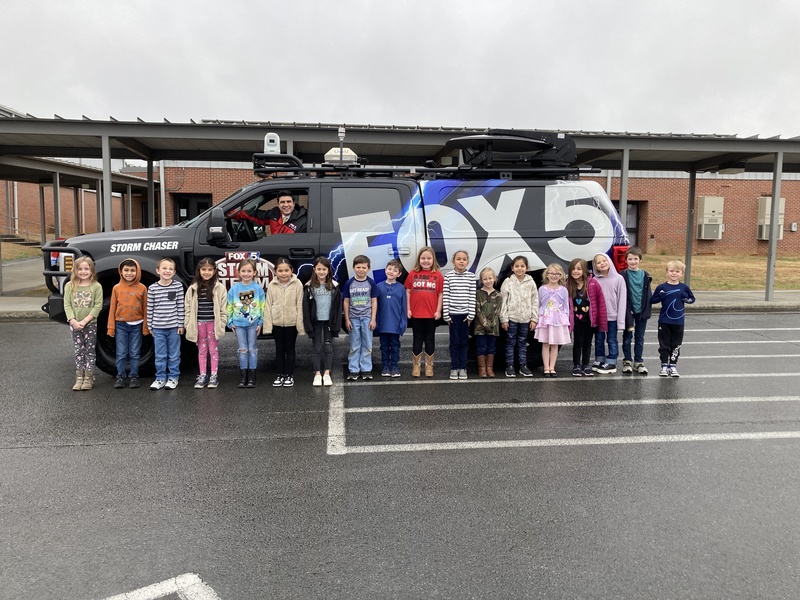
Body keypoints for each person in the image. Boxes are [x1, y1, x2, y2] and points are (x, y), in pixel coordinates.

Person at [184, 257, 227, 389]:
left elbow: (223, 308)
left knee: (213, 350)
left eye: (210, 270)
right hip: (199, 324)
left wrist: (222, 323)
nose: (206, 272)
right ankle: (202, 375)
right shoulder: (193, 288)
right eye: (204, 269)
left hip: (213, 323)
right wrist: (188, 324)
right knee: (202, 350)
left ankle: (214, 375)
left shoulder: (219, 288)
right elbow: (188, 307)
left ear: (214, 271)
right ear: (199, 271)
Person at [108, 258, 149, 389]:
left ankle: (134, 376)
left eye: (132, 270)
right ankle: (120, 376)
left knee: (135, 352)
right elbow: (112, 308)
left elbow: (146, 309)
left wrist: (145, 327)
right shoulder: (116, 288)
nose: (129, 273)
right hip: (120, 324)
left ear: (137, 271)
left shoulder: (142, 288)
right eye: (126, 270)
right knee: (121, 352)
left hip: (137, 324)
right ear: (121, 271)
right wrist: (111, 328)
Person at [264, 257, 305, 388]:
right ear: (275, 271)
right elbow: (268, 305)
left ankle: (289, 375)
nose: (283, 273)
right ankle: (280, 374)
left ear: (291, 270)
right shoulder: (272, 284)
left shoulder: (297, 284)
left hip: (291, 322)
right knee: (279, 350)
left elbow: (299, 304)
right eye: (280, 270)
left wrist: (300, 324)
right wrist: (268, 325)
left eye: (286, 270)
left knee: (290, 349)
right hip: (277, 322)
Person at [651, 259, 696, 377]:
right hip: (664, 321)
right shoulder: (662, 287)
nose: (674, 273)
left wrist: (686, 298)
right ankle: (664, 365)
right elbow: (653, 300)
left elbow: (692, 299)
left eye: (677, 271)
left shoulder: (684, 287)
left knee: (676, 345)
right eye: (671, 271)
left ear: (681, 273)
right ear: (667, 272)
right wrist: (660, 296)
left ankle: (673, 365)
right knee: (664, 345)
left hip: (678, 321)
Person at [64, 256, 103, 391]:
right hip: (75, 325)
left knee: (90, 351)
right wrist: (73, 321)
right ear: (75, 270)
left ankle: (88, 377)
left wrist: (86, 320)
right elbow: (67, 305)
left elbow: (98, 305)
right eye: (80, 269)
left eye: (86, 269)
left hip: (90, 324)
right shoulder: (70, 286)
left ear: (91, 270)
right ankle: (79, 377)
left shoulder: (96, 286)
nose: (83, 271)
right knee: (79, 351)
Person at [405, 246, 444, 377]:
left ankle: (429, 366)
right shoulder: (412, 274)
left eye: (429, 258)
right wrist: (408, 308)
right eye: (423, 258)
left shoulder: (437, 275)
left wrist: (439, 311)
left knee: (429, 340)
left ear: (433, 260)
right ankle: (416, 366)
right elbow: (408, 292)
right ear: (419, 259)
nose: (426, 261)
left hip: (431, 314)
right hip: (416, 314)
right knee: (417, 339)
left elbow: (440, 294)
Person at [303, 256, 342, 387]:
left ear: (328, 270)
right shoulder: (309, 287)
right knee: (317, 348)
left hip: (328, 323)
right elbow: (306, 307)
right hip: (316, 322)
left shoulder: (334, 286)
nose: (321, 272)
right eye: (318, 269)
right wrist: (308, 325)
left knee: (328, 347)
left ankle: (327, 373)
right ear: (314, 270)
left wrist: (336, 325)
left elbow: (338, 308)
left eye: (324, 269)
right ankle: (317, 374)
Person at [227, 258, 266, 389]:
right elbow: (229, 306)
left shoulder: (258, 288)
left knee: (252, 349)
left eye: (249, 271)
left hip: (253, 324)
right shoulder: (234, 289)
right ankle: (243, 376)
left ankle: (252, 376)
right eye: (243, 271)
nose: (246, 273)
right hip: (238, 324)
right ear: (238, 272)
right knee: (242, 350)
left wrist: (261, 322)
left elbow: (262, 306)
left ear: (254, 272)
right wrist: (230, 321)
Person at [147, 257, 185, 390]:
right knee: (160, 355)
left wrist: (181, 324)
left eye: (170, 269)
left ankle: (173, 377)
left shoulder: (177, 286)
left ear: (174, 272)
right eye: (164, 268)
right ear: (158, 270)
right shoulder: (152, 288)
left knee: (174, 354)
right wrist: (150, 325)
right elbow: (150, 308)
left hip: (174, 327)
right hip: (158, 328)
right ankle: (160, 378)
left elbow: (180, 306)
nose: (167, 271)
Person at [567, 258, 607, 377]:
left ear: (585, 270)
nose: (576, 271)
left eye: (579, 269)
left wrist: (601, 320)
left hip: (590, 319)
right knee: (578, 342)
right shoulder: (568, 284)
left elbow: (601, 303)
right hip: (576, 320)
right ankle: (576, 365)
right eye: (573, 269)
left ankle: (585, 365)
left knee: (588, 343)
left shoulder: (593, 283)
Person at [500, 256, 538, 378]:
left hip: (525, 319)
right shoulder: (508, 282)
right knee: (510, 342)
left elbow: (535, 301)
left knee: (522, 342)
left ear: (526, 268)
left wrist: (534, 318)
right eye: (517, 266)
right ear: (512, 268)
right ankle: (509, 365)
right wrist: (504, 319)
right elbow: (503, 302)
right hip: (512, 318)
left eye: (522, 266)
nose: (519, 268)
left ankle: (523, 365)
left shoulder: (531, 282)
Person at [342, 255, 379, 381]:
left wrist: (373, 318)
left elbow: (374, 301)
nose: (361, 269)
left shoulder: (371, 283)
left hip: (367, 317)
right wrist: (346, 319)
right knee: (354, 344)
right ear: (353, 268)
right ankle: (353, 369)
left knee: (367, 344)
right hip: (353, 318)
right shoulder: (349, 283)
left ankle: (366, 369)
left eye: (364, 267)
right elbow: (346, 301)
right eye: (358, 267)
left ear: (368, 269)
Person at [443, 250, 476, 380]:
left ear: (467, 262)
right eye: (458, 259)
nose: (461, 261)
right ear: (453, 262)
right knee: (454, 342)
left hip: (465, 316)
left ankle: (463, 367)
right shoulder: (448, 276)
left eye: (464, 259)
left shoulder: (471, 277)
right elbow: (446, 296)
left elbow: (472, 296)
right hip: (453, 316)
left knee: (464, 343)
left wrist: (470, 315)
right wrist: (446, 315)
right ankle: (454, 367)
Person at [592, 253, 627, 374]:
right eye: (598, 262)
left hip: (613, 316)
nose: (602, 263)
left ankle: (611, 361)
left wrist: (621, 321)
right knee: (599, 339)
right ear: (595, 266)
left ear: (609, 262)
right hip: (599, 317)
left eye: (604, 260)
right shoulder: (595, 280)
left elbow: (622, 300)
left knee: (611, 339)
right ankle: (599, 359)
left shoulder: (618, 279)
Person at [620, 247, 653, 375]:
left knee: (640, 338)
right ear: (626, 260)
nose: (633, 261)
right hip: (628, 312)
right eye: (630, 259)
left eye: (635, 259)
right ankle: (627, 361)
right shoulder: (623, 275)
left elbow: (648, 294)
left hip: (642, 312)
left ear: (640, 260)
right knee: (627, 337)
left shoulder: (645, 275)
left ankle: (638, 362)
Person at [535, 264, 571, 377]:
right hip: (546, 320)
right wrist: (538, 318)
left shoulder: (564, 290)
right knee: (545, 343)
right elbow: (539, 304)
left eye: (557, 274)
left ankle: (552, 367)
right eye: (551, 273)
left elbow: (566, 306)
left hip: (558, 320)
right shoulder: (542, 289)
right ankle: (546, 367)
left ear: (561, 276)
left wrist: (566, 319)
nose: (554, 276)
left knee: (555, 344)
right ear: (547, 274)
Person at [376, 259, 407, 378]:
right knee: (383, 346)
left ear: (399, 274)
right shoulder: (379, 286)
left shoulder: (401, 288)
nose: (391, 272)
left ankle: (394, 365)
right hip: (383, 323)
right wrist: (376, 322)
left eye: (395, 270)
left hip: (395, 324)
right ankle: (385, 366)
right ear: (385, 270)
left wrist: (403, 322)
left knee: (395, 345)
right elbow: (376, 307)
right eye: (389, 269)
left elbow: (404, 307)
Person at [232, 190, 308, 234]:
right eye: (282, 202)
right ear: (278, 204)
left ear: (294, 203)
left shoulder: (303, 220)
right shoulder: (275, 214)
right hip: (273, 250)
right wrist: (230, 213)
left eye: (289, 202)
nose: (286, 205)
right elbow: (254, 215)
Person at [474, 267, 503, 378]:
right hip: (480, 327)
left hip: (493, 326)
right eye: (485, 279)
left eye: (490, 278)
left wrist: (490, 324)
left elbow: (497, 311)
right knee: (481, 347)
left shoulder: (498, 295)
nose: (488, 281)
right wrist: (484, 323)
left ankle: (489, 368)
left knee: (491, 347)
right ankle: (482, 369)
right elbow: (478, 310)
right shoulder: (478, 294)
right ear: (481, 280)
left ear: (494, 278)